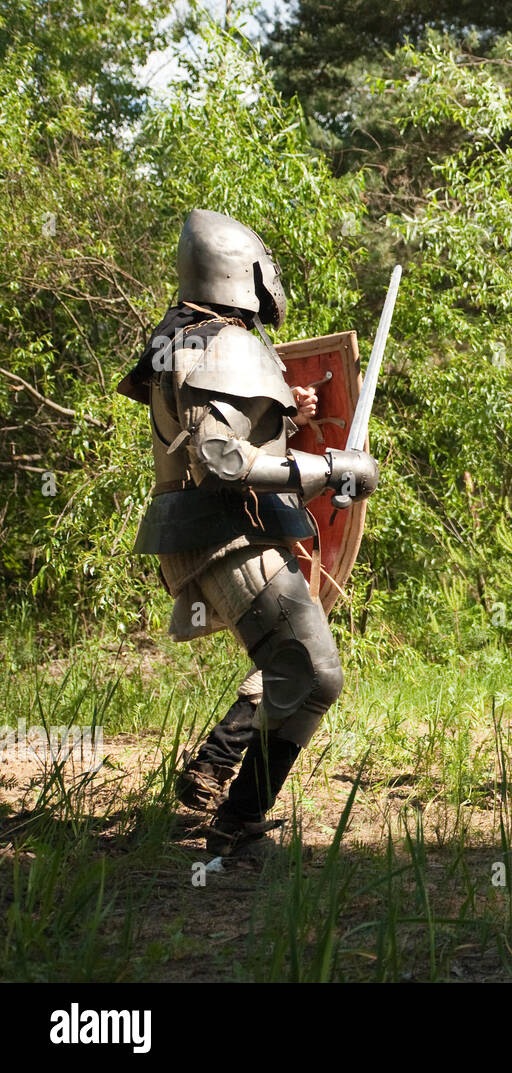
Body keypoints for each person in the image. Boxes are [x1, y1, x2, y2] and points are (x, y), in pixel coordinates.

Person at [118, 209, 379, 857]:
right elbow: (220, 459)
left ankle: (232, 807)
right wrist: (333, 468)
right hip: (227, 529)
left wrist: (292, 417)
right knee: (308, 670)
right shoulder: (226, 341)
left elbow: (224, 438)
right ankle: (233, 824)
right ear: (243, 273)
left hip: (203, 531)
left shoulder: (180, 337)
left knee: (304, 673)